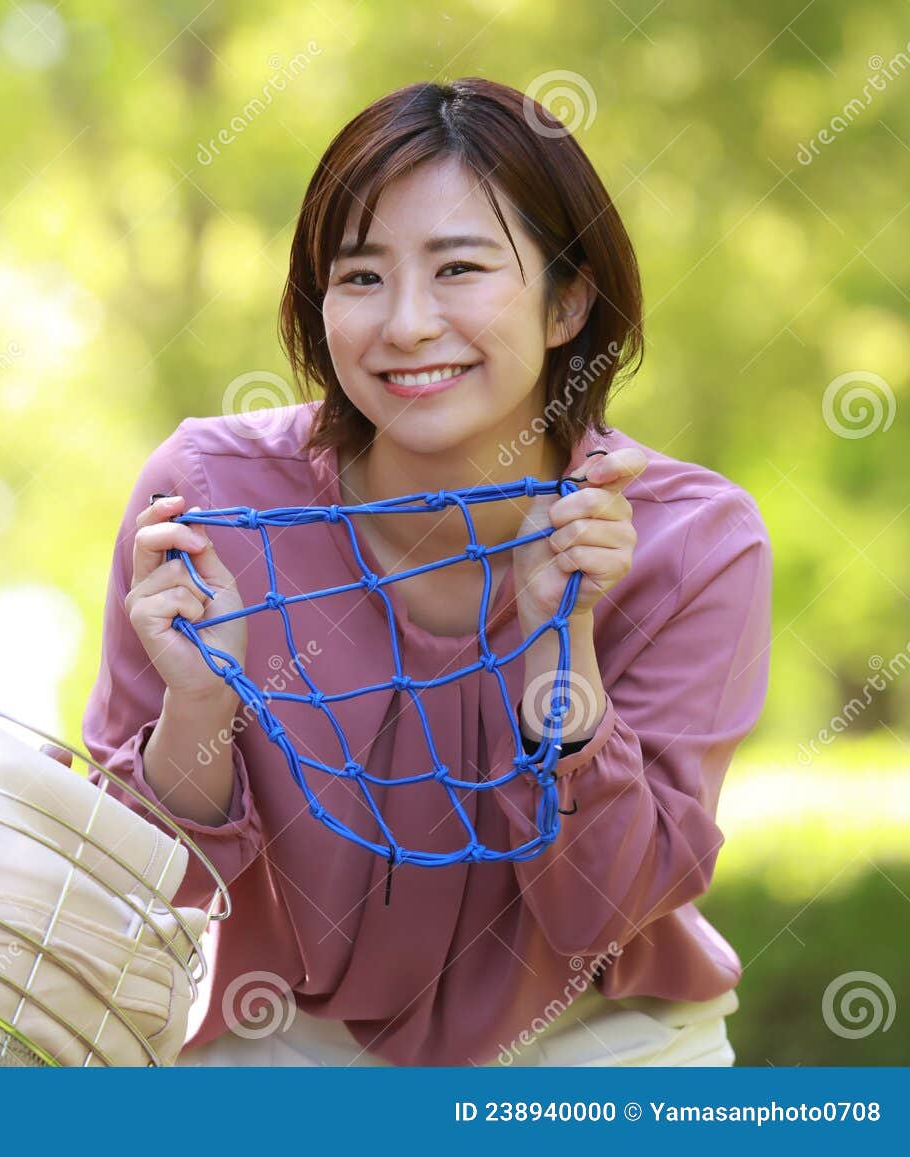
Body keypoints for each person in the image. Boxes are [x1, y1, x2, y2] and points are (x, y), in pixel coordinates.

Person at [81, 77, 772, 1066]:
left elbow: (602, 911)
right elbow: (143, 897)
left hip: (602, 1050)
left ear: (567, 301)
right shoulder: (206, 498)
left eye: (459, 268)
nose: (404, 323)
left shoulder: (691, 543)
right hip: (289, 1050)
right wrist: (195, 710)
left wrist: (558, 647)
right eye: (360, 277)